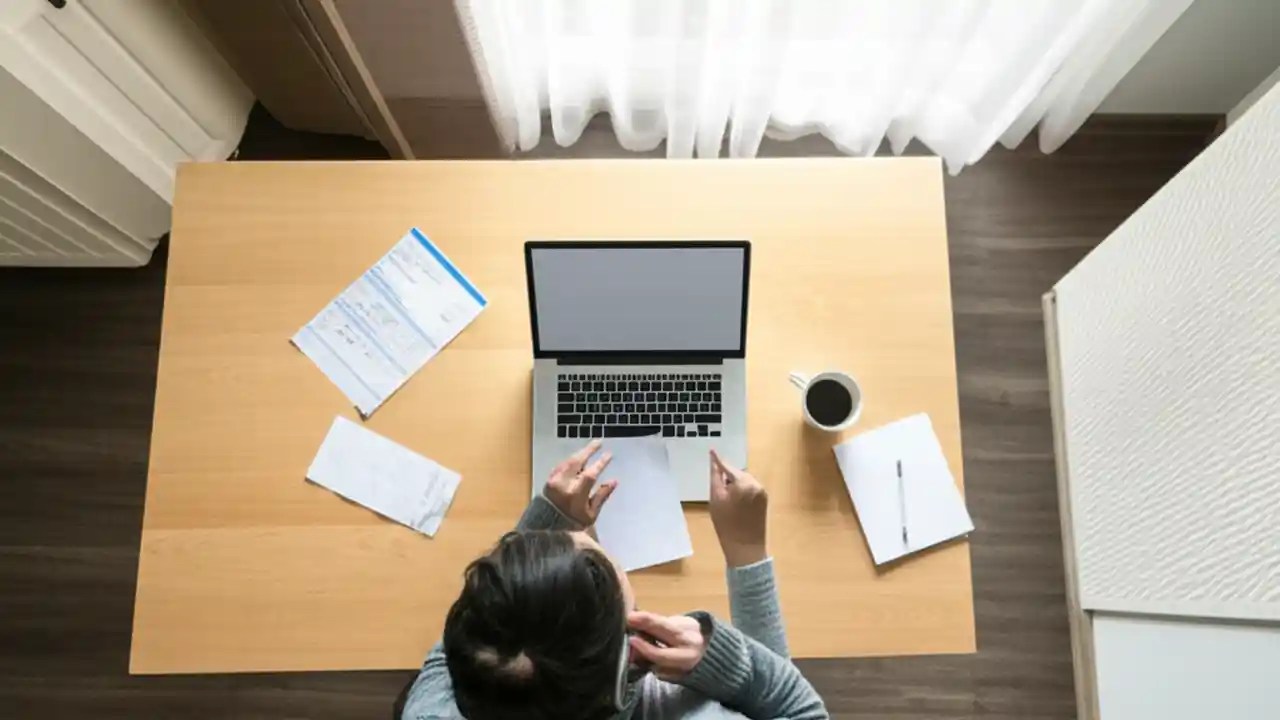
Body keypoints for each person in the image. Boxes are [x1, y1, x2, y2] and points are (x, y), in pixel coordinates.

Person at [401, 439, 828, 720]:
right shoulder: (687, 712)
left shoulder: (439, 704)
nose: (575, 531)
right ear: (629, 663)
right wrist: (746, 552)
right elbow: (802, 713)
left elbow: (472, 635)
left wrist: (544, 525)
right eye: (611, 568)